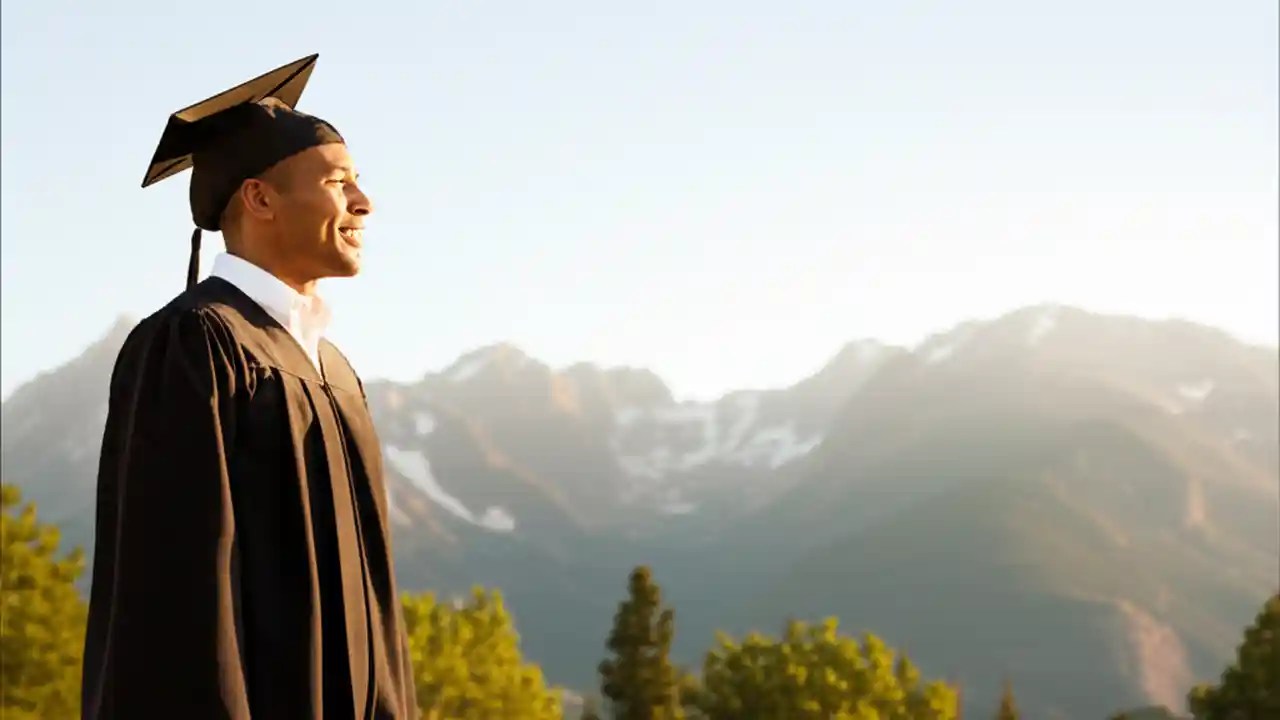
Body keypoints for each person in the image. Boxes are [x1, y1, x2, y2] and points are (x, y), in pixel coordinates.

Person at [81, 54, 419, 719]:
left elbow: (373, 607)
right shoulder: (194, 345)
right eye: (338, 181)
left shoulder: (334, 370)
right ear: (259, 198)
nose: (364, 202)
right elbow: (172, 603)